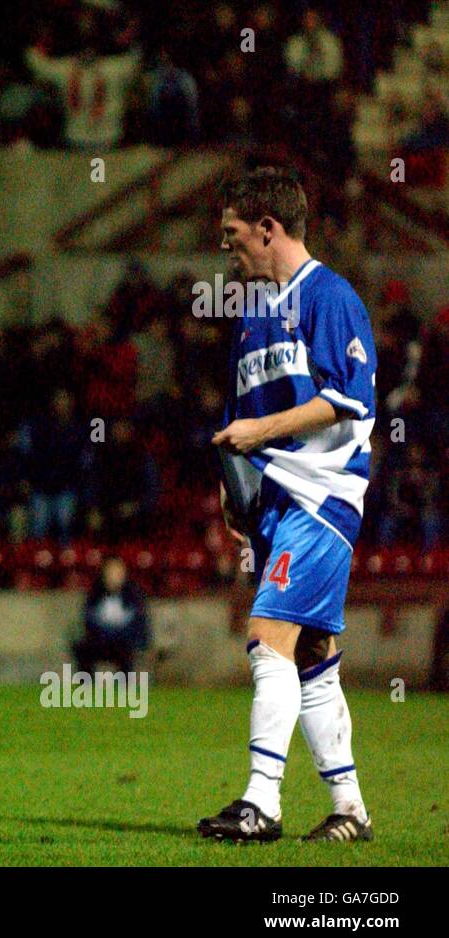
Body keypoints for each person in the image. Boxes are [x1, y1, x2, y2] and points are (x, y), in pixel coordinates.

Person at [201, 167, 377, 844]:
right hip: (274, 504)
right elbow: (243, 407)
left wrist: (258, 434)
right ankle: (349, 809)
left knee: (267, 638)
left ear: (269, 229)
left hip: (322, 499)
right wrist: (232, 474)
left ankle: (261, 803)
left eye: (233, 235)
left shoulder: (330, 298)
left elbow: (348, 400)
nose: (227, 249)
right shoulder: (254, 312)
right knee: (313, 659)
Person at [74, 556, 149, 673]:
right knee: (82, 648)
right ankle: (86, 687)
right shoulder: (95, 594)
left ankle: (124, 687)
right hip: (101, 640)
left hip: (124, 642)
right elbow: (89, 620)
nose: (114, 575)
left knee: (126, 651)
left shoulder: (134, 595)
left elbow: (138, 623)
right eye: (111, 571)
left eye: (118, 571)